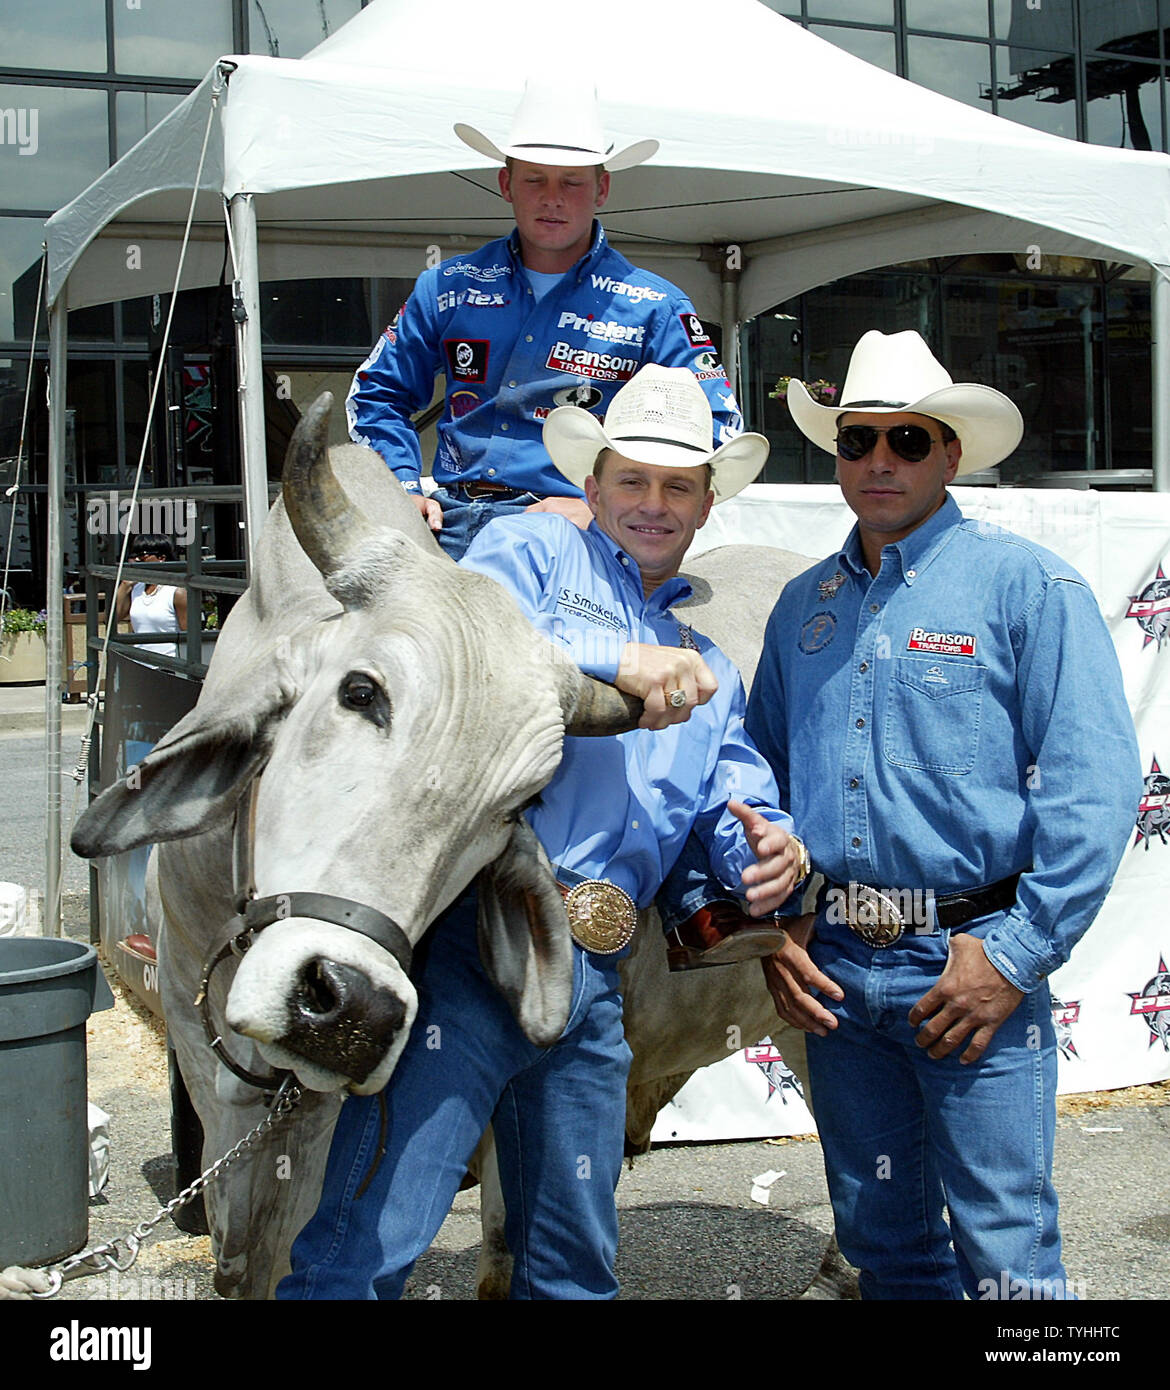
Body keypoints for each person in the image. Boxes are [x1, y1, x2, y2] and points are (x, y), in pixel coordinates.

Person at [278, 365, 807, 1300]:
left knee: (572, 1267)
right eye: (632, 480)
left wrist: (770, 850)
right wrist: (618, 657)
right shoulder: (526, 549)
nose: (653, 503)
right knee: (364, 1250)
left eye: (678, 485)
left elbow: (737, 802)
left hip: (596, 980)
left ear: (706, 503)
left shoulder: (711, 667)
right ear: (593, 485)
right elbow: (462, 643)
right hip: (474, 947)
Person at [743, 329, 1141, 1301]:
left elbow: (1096, 792)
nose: (880, 460)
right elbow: (760, 777)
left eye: (908, 440)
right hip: (837, 975)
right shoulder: (804, 606)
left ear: (950, 452)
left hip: (970, 972)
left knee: (1010, 1263)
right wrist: (777, 922)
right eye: (857, 440)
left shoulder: (1028, 588)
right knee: (888, 1251)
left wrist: (1011, 956)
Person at [346, 81, 744, 559]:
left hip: (579, 537)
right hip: (443, 528)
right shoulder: (447, 286)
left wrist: (604, 507)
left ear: (602, 187)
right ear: (505, 183)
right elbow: (376, 394)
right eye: (535, 179)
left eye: (572, 181)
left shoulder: (655, 306)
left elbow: (718, 426)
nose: (552, 198)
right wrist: (401, 487)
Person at [114, 534, 187, 661]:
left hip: (169, 664)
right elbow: (111, 619)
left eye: (142, 554)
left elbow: (190, 635)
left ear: (161, 558)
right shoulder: (136, 588)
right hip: (140, 663)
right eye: (133, 555)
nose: (137, 559)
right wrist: (124, 586)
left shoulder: (176, 592)